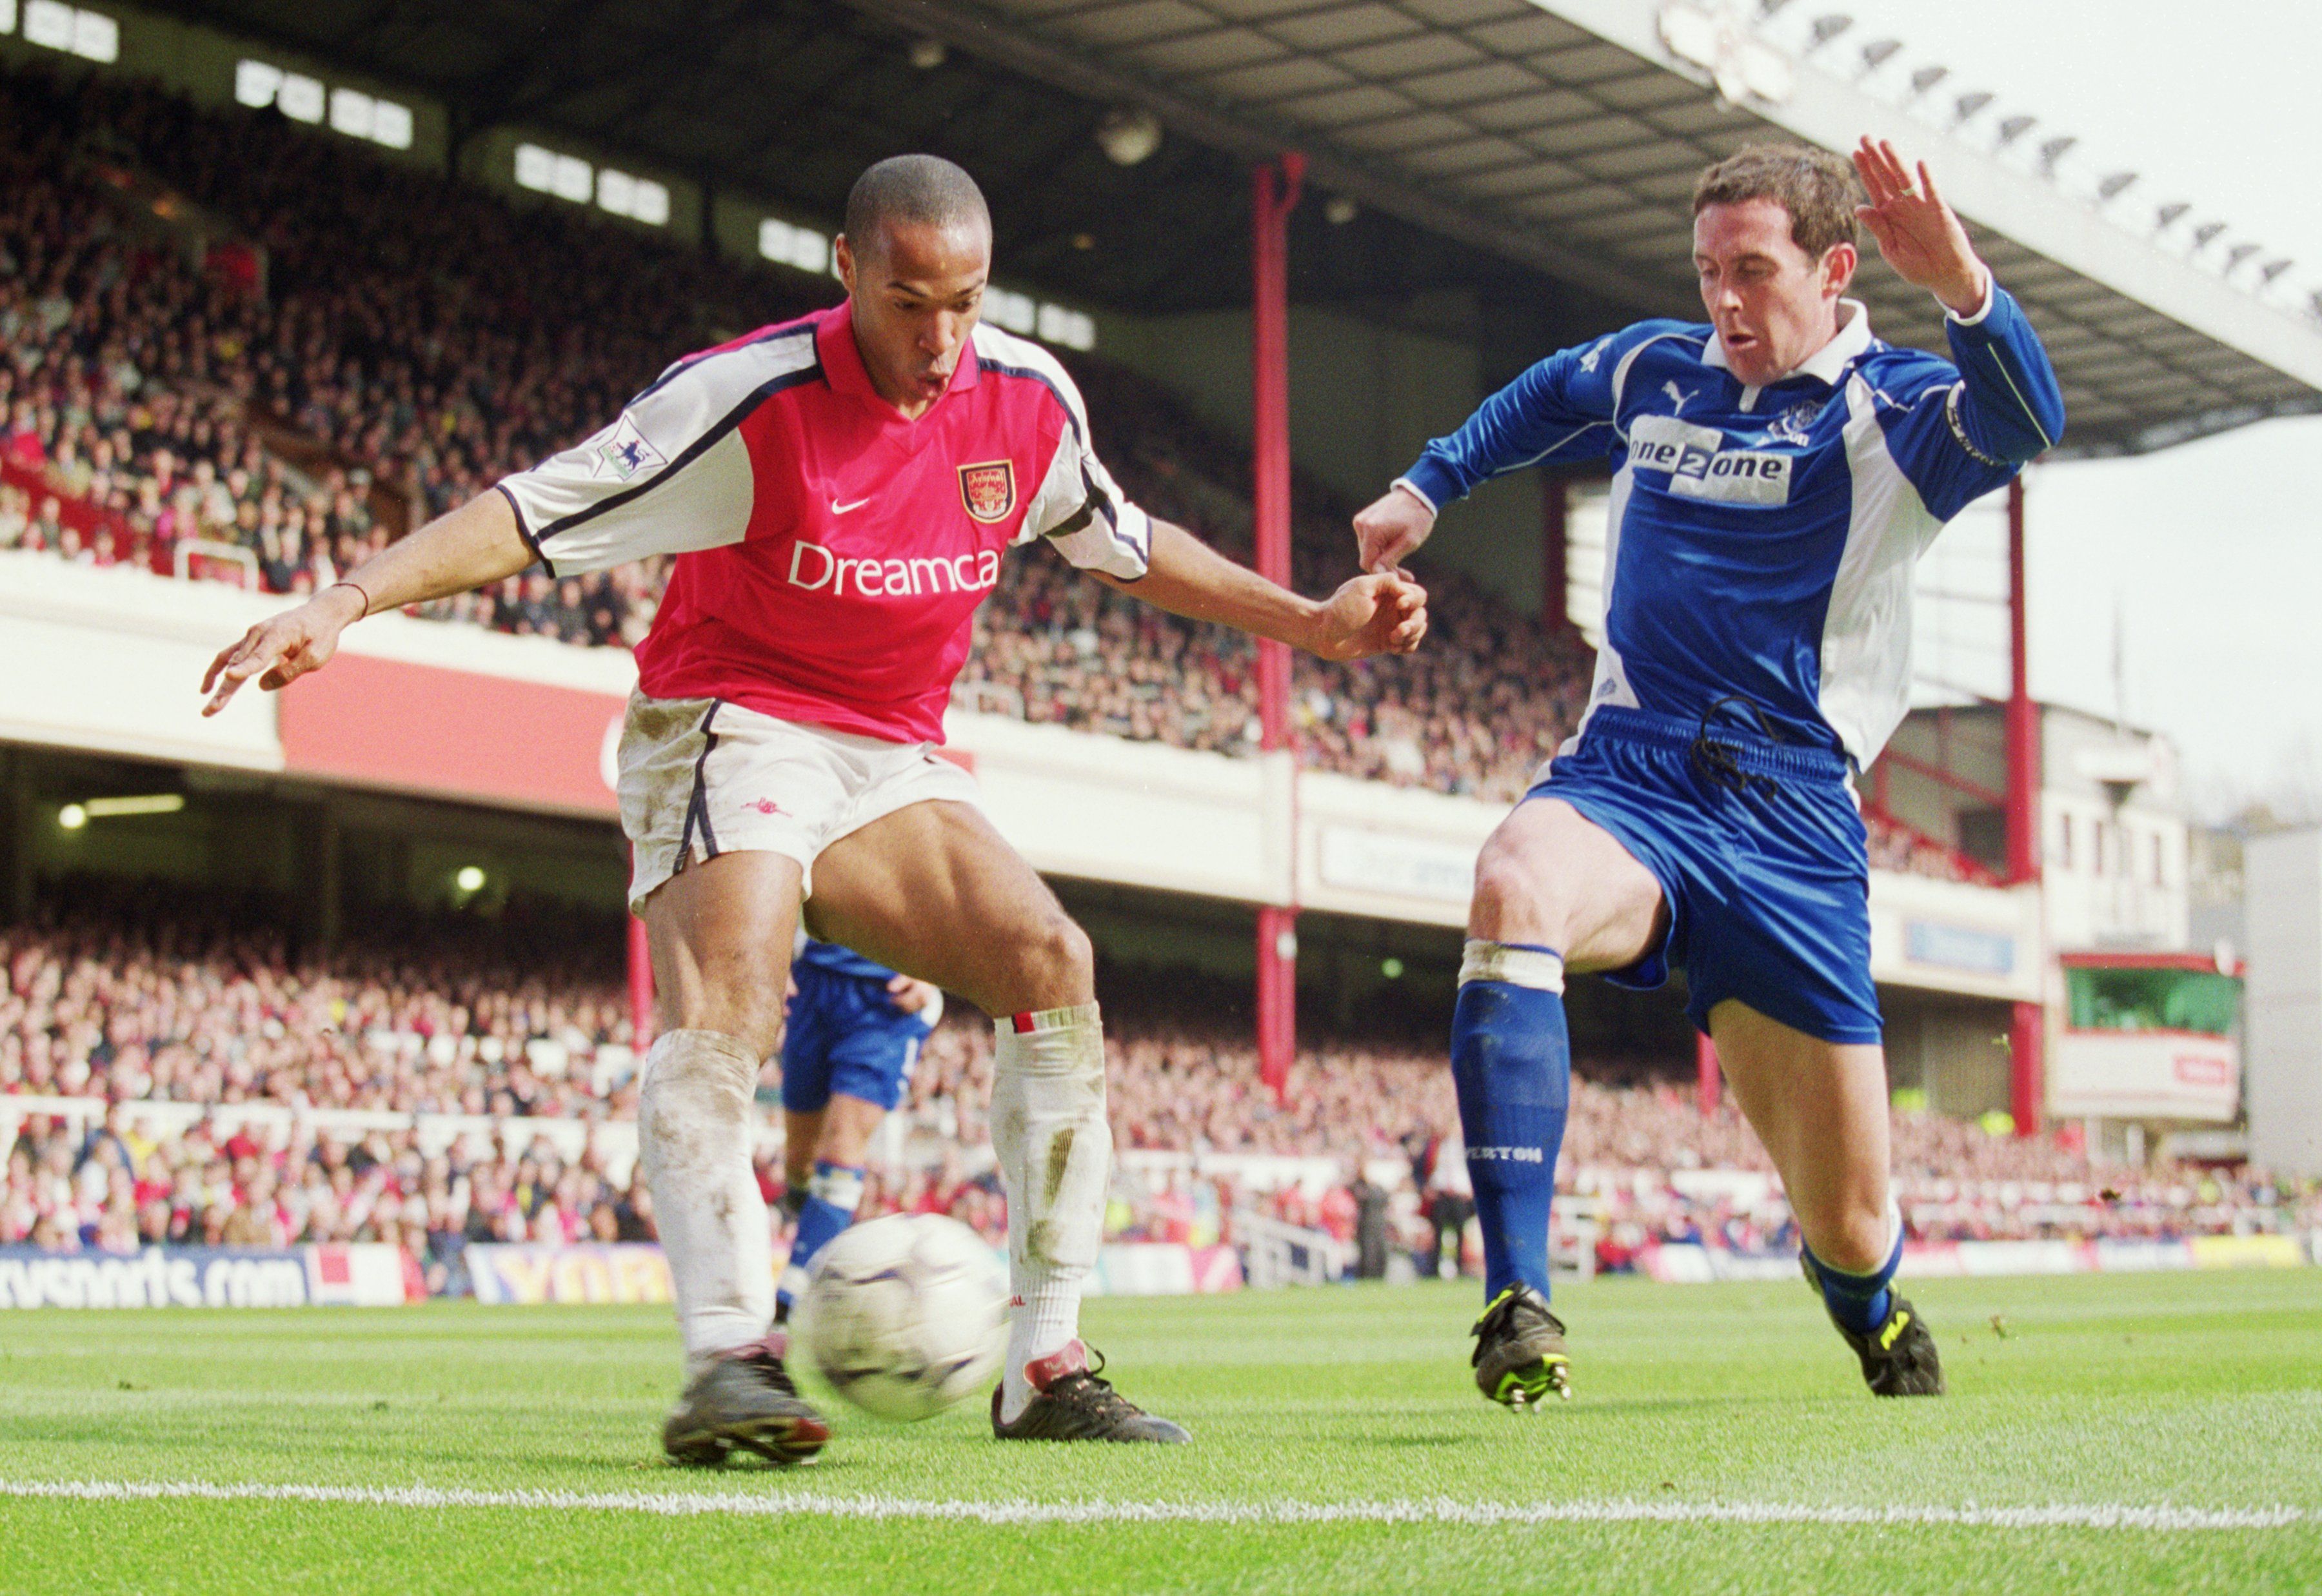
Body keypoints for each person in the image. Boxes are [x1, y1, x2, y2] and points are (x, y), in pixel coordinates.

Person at [202, 153, 1426, 1463]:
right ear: (846, 271)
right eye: (909, 301)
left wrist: (1312, 622)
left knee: (1049, 959)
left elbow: (1123, 543)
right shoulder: (743, 399)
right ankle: (729, 1355)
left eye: (964, 301)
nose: (941, 337)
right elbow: (531, 511)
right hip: (727, 717)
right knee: (739, 986)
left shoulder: (1024, 398)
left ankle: (1047, 1359)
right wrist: (344, 601)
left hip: (892, 750)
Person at [1351, 139, 2063, 1407]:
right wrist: (1431, 480)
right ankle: (1517, 1296)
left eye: (1752, 271)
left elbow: (2024, 419)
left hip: (1791, 827)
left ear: (1836, 268)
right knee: (1514, 878)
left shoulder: (1891, 411)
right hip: (1629, 783)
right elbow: (1552, 392)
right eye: (1705, 272)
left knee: (1846, 1218)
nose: (1724, 301)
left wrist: (1962, 285)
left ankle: (1872, 1302)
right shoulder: (1657, 367)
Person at [771, 934, 944, 1322]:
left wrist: (935, 973)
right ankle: (813, 1235)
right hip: (812, 981)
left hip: (887, 1000)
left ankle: (796, 1295)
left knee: (842, 1145)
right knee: (800, 1161)